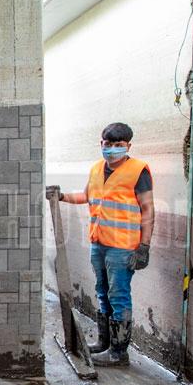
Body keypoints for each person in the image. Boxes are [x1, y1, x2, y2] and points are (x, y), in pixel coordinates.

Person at [47, 122, 153, 367]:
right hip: (99, 243)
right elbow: (86, 196)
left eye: (119, 145)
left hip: (123, 247)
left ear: (128, 146)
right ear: (101, 144)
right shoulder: (96, 169)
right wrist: (61, 196)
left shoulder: (138, 171)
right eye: (108, 144)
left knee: (119, 296)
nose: (113, 149)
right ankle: (104, 344)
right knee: (102, 294)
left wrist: (144, 246)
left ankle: (119, 353)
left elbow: (148, 209)